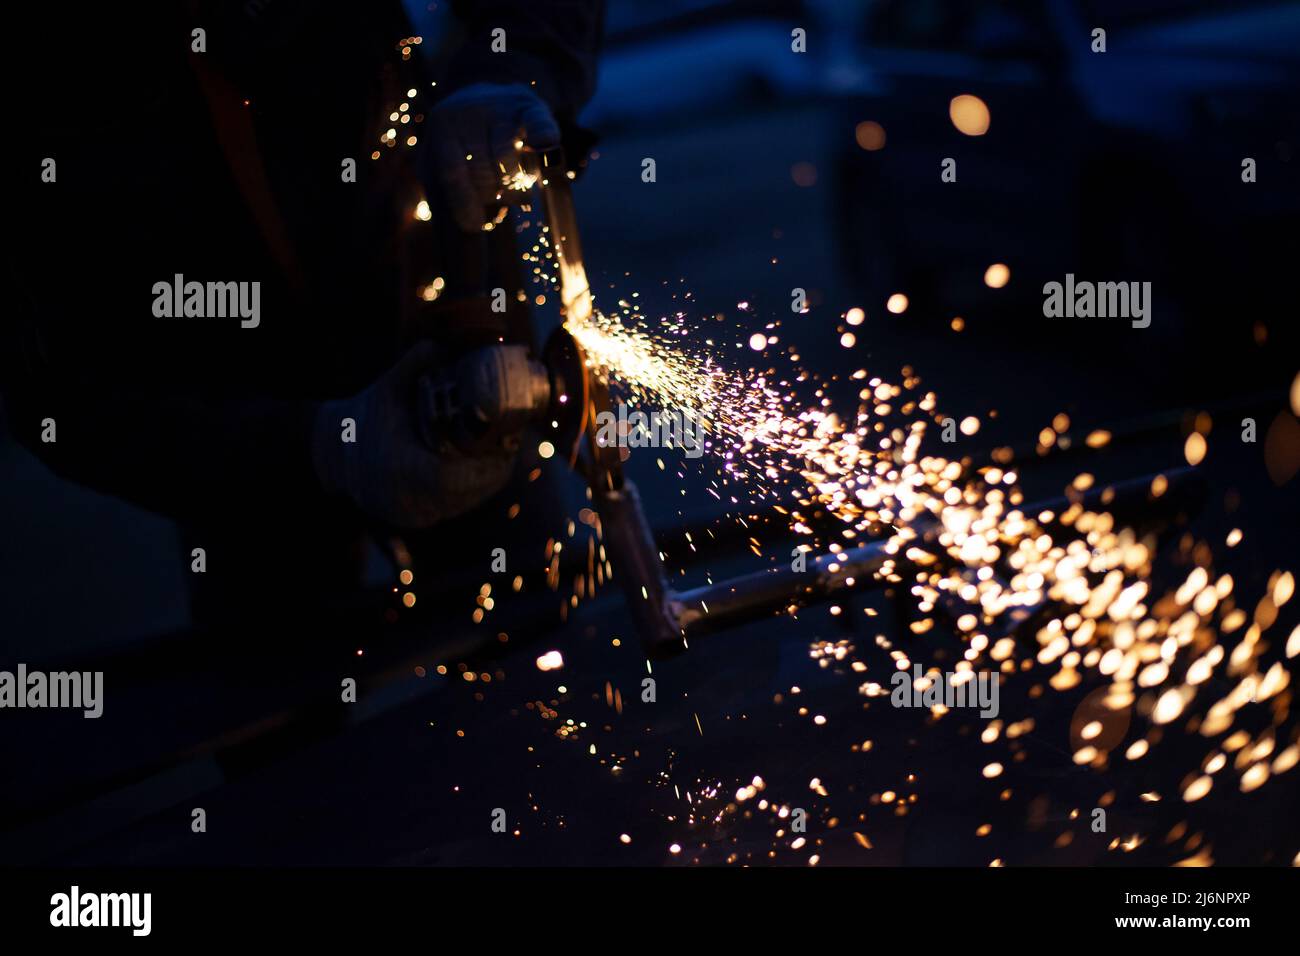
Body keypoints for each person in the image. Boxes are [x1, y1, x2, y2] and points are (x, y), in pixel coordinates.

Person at [2, 1, 605, 619]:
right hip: (238, 452)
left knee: (526, 631)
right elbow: (52, 394)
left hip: (447, 358)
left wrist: (509, 74)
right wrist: (313, 452)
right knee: (278, 657)